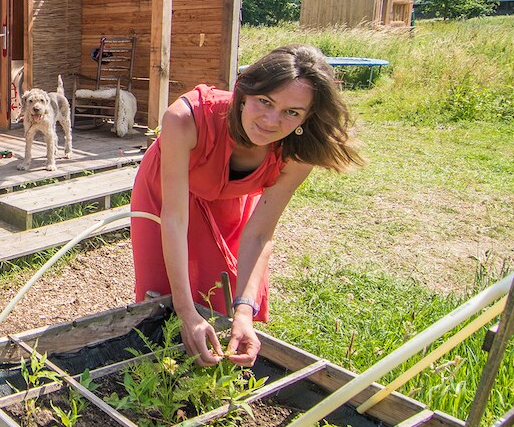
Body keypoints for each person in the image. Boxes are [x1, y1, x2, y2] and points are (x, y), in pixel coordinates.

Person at [129, 44, 363, 368]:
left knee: (221, 290)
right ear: (243, 91)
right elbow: (175, 219)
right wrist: (185, 311)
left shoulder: (299, 153)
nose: (271, 121)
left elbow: (260, 235)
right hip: (165, 195)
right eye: (265, 101)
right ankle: (157, 367)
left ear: (306, 117)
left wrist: (244, 312)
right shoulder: (186, 118)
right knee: (164, 295)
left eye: (292, 112)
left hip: (228, 197)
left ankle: (211, 356)